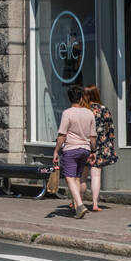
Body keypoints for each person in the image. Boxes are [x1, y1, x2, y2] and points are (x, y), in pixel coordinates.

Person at [52, 85, 97, 220]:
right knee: (77, 178)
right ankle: (78, 207)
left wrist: (56, 151)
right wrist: (93, 151)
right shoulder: (89, 113)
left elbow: (62, 135)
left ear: (69, 98)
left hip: (71, 149)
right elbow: (93, 136)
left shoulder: (67, 113)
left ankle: (80, 205)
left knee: (69, 178)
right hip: (85, 149)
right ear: (81, 97)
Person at [82, 84, 117, 212]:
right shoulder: (104, 109)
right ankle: (95, 204)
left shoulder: (83, 110)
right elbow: (110, 129)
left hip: (85, 144)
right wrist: (111, 144)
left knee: (82, 176)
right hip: (101, 145)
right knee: (96, 175)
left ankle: (77, 202)